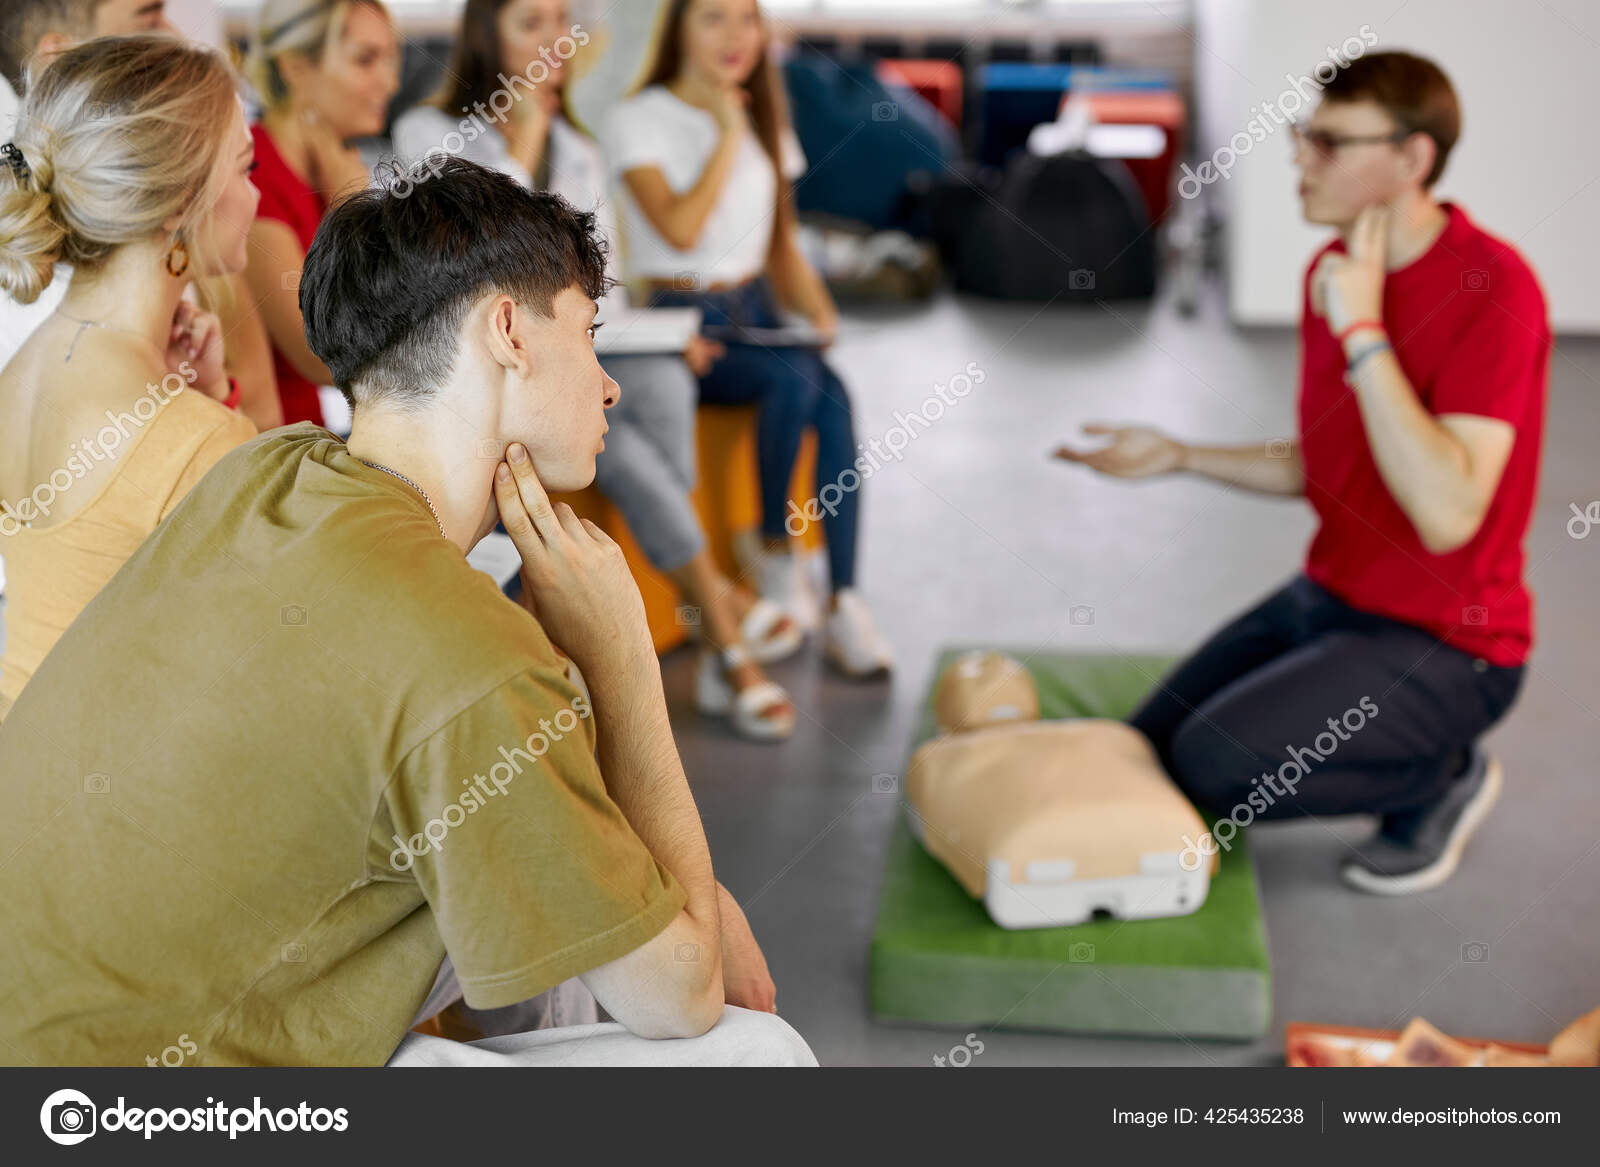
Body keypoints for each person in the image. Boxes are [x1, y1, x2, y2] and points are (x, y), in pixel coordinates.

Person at [0, 156, 815, 1067]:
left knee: (568, 929)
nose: (610, 382)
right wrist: (623, 658)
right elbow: (691, 996)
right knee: (758, 1049)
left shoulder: (262, 474)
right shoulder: (466, 648)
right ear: (508, 329)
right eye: (589, 333)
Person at [1056, 52, 1547, 896]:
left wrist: (1363, 330)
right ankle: (1408, 755)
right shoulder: (1332, 274)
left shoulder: (1494, 287)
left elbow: (1447, 511)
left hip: (1449, 643)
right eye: (1301, 135)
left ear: (1413, 158)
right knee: (1151, 745)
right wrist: (1180, 454)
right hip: (1329, 597)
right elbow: (1333, 464)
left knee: (1211, 768)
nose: (1298, 157)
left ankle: (1441, 776)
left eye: (1329, 141)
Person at [393, 0, 799, 742]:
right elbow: (493, 255)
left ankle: (712, 609)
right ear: (486, 38)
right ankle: (727, 635)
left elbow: (595, 276)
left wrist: (664, 334)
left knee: (667, 384)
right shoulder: (429, 132)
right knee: (623, 444)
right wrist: (528, 133)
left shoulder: (579, 142)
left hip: (582, 341)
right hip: (499, 361)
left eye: (559, 21)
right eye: (530, 23)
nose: (553, 39)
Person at [605, 0, 893, 679]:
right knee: (794, 378)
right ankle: (773, 549)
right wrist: (728, 130)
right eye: (713, 18)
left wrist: (819, 314)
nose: (736, 37)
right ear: (678, 29)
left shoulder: (769, 113)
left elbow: (781, 244)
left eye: (747, 18)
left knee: (834, 393)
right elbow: (678, 228)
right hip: (683, 314)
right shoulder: (636, 118)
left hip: (758, 307)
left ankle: (845, 595)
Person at [0, 35, 259, 723]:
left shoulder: (18, 375)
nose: (255, 194)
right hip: (111, 805)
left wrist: (207, 400)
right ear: (178, 204)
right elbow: (251, 670)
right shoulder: (201, 441)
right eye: (245, 166)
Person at [0, 1, 279, 432]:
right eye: (148, 18)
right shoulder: (176, 428)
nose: (172, 33)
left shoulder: (24, 373)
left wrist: (216, 393)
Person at [239, 0, 399, 428]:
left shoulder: (335, 167)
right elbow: (327, 357)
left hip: (309, 436)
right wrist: (351, 208)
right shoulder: (251, 169)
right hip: (269, 453)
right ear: (295, 66)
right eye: (366, 60)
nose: (390, 81)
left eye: (390, 59)